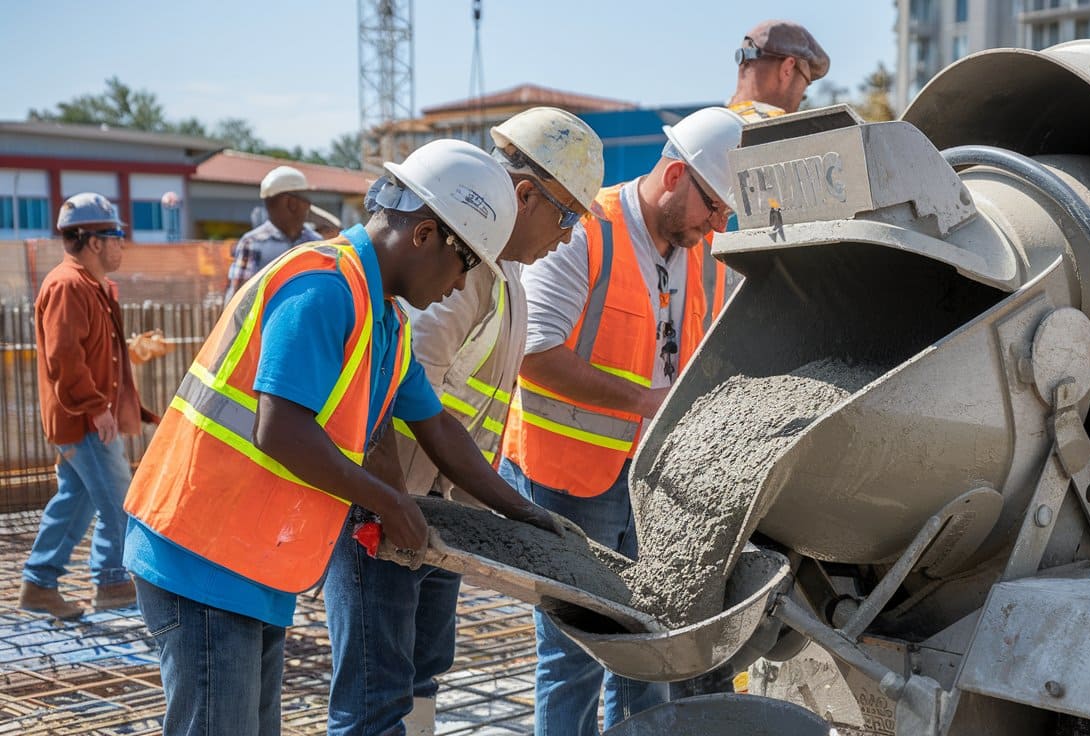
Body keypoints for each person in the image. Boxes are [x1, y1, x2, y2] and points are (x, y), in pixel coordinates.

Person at [122, 139, 571, 735]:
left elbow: (435, 425)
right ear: (425, 236)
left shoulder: (382, 318)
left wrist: (522, 511)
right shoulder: (323, 287)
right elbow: (282, 430)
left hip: (251, 561)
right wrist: (392, 502)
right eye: (465, 266)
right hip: (200, 554)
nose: (460, 286)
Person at [323, 108, 605, 736]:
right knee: (375, 692)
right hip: (386, 508)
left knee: (420, 669)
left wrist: (511, 509)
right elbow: (388, 393)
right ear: (525, 194)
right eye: (567, 218)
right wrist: (390, 506)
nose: (567, 238)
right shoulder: (451, 272)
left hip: (436, 508)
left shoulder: (503, 279)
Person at [497, 106, 744, 736]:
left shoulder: (705, 248)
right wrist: (645, 403)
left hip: (654, 477)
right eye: (712, 206)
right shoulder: (585, 229)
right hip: (569, 478)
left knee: (645, 645)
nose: (718, 224)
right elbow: (534, 355)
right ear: (675, 176)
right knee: (576, 654)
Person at [17, 193, 158, 620]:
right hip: (85, 422)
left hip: (89, 418)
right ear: (93, 241)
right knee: (119, 502)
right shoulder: (67, 285)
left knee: (75, 501)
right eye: (116, 235)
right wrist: (96, 407)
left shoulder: (93, 286)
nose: (121, 244)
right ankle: (113, 580)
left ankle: (39, 583)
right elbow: (64, 357)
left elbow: (97, 354)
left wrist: (134, 403)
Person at [224, 165, 320, 301]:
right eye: (305, 198)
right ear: (291, 203)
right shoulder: (252, 244)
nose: (309, 205)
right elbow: (236, 302)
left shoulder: (315, 243)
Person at [728, 19, 830, 121]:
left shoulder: (716, 121)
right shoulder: (783, 133)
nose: (800, 99)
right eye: (804, 90)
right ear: (787, 69)